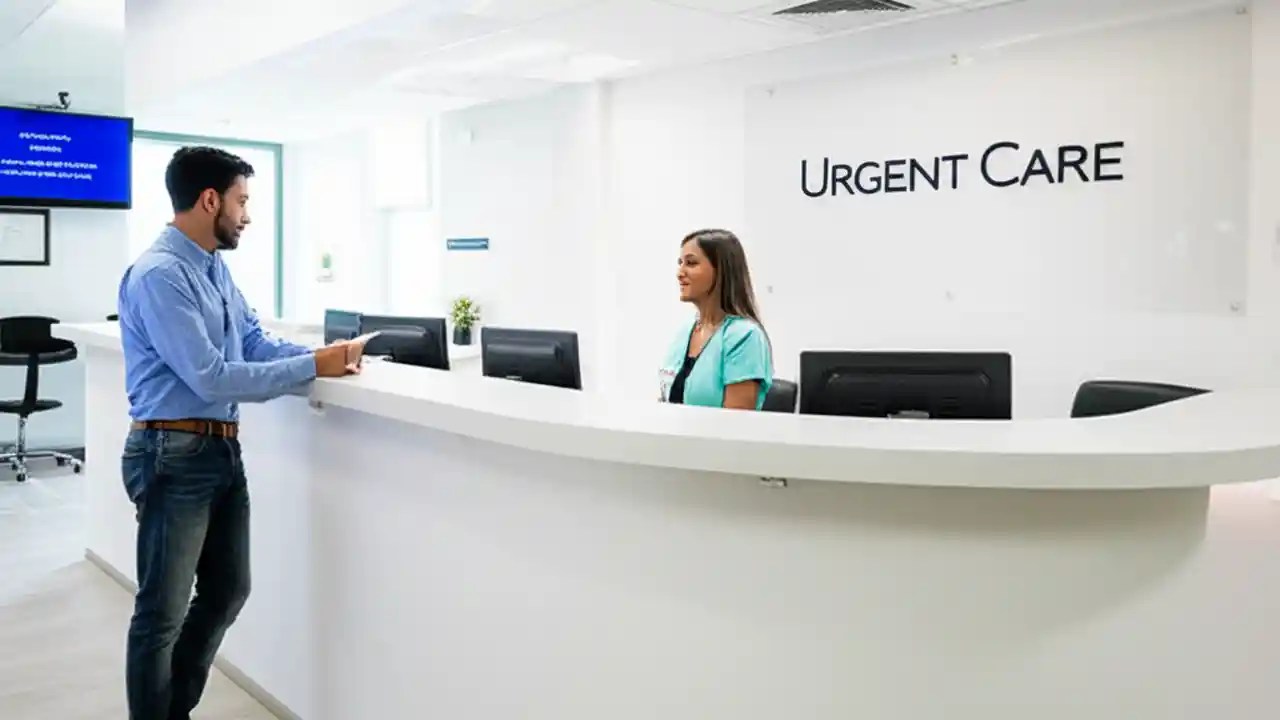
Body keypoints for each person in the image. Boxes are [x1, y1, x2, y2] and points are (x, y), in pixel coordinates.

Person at [117, 146, 361, 720]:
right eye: (242, 201)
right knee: (161, 613)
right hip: (171, 453)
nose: (247, 215)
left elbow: (253, 342)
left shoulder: (213, 268)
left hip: (221, 449)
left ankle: (171, 709)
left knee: (229, 590)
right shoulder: (159, 275)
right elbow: (209, 375)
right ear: (209, 200)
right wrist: (309, 368)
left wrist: (322, 356)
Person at [660, 228, 773, 410]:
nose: (680, 273)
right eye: (680, 263)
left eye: (691, 263)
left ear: (721, 270)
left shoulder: (744, 337)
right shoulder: (685, 331)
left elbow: (735, 426)